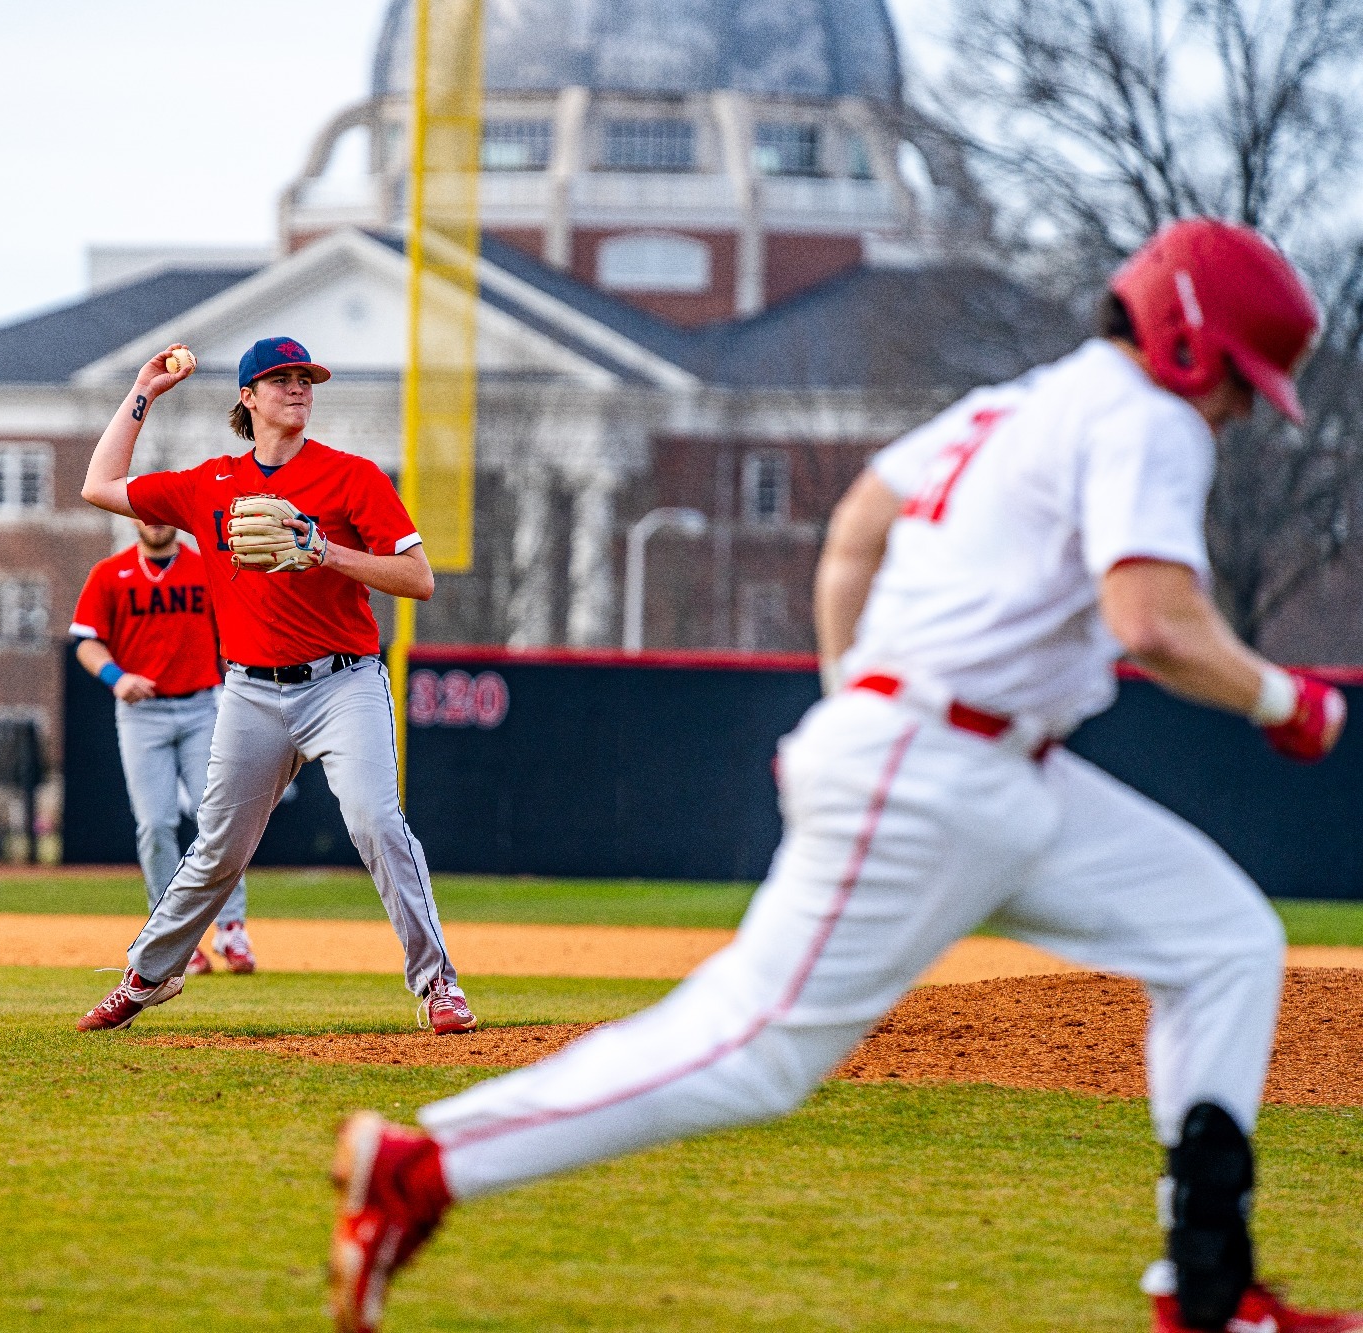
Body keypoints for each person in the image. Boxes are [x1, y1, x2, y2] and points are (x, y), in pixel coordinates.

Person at [324, 219, 1359, 1333]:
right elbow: (1149, 619)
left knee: (1222, 940)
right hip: (934, 770)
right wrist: (1279, 697)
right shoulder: (1149, 417)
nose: (1242, 408)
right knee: (755, 1050)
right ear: (1192, 346)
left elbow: (860, 523)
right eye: (1243, 381)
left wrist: (849, 693)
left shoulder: (1010, 405)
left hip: (989, 763)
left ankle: (1206, 1289)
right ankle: (423, 1167)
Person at [73, 336, 475, 1035]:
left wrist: (326, 550)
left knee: (376, 822)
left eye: (305, 379)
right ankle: (146, 975)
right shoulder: (210, 485)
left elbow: (419, 580)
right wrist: (144, 391)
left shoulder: (353, 477)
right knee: (219, 847)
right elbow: (98, 486)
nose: (298, 388)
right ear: (248, 398)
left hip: (342, 681)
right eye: (280, 379)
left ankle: (438, 983)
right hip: (252, 692)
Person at [72, 517, 256, 976]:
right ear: (133, 519)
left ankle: (231, 926)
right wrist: (117, 678)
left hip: (201, 707)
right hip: (142, 712)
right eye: (144, 512)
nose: (153, 521)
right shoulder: (109, 573)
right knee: (155, 824)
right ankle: (173, 934)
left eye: (161, 512)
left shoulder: (205, 567)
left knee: (217, 817)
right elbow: (86, 644)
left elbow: (236, 630)